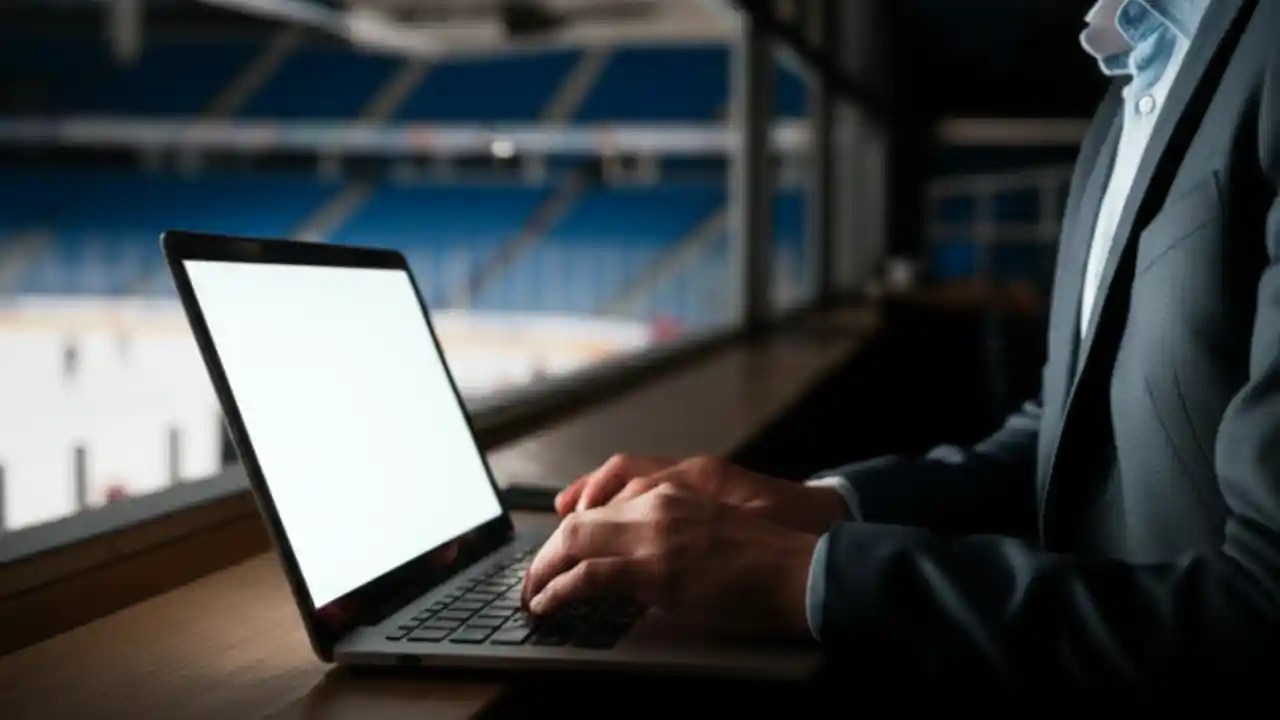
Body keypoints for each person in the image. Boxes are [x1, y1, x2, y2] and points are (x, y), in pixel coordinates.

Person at [521, 0, 1280, 686]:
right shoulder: (1128, 88)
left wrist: (813, 578)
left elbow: (1261, 613)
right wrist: (816, 508)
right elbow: (1062, 445)